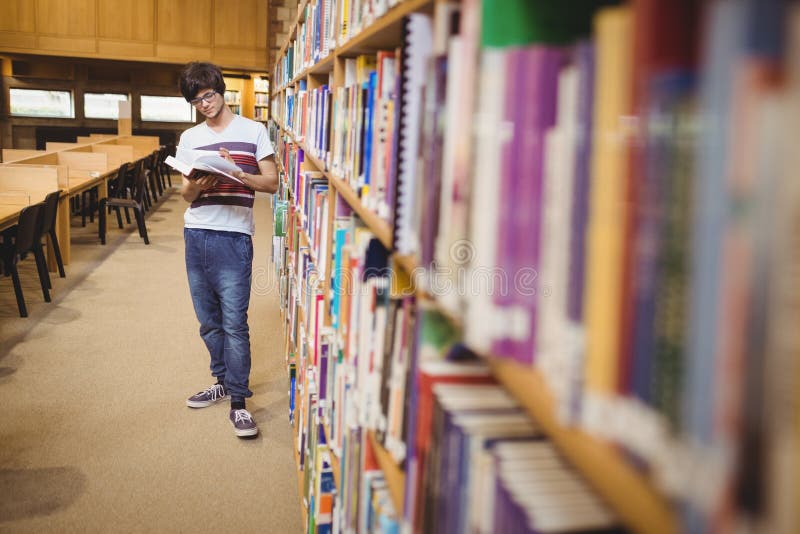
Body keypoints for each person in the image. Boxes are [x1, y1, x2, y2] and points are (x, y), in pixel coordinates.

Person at [177, 61, 278, 438]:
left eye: (208, 95)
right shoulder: (189, 139)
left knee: (235, 323)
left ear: (220, 89)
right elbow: (185, 194)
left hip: (234, 236)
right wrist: (199, 184)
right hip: (197, 233)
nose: (204, 104)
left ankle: (238, 401)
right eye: (196, 100)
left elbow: (270, 183)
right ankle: (220, 380)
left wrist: (238, 174)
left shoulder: (254, 130)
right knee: (208, 321)